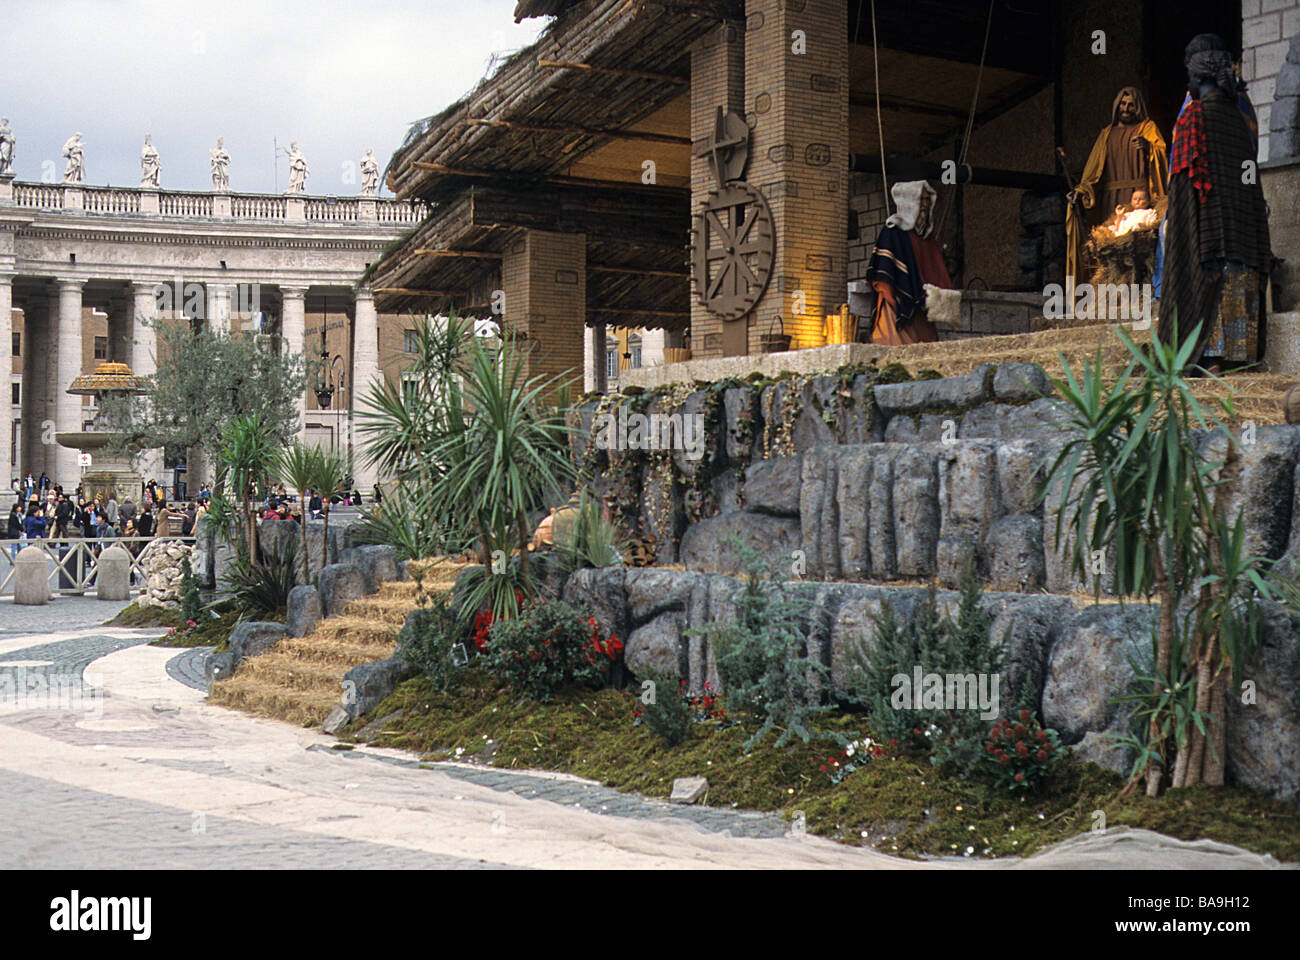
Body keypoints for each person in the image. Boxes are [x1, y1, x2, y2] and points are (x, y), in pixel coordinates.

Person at [1158, 33, 1271, 373]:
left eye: (1189, 74)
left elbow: (1182, 189)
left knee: (1213, 357)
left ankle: (1211, 364)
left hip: (1212, 248)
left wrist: (1181, 238)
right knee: (1239, 358)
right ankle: (1235, 365)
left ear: (1200, 74)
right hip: (1247, 246)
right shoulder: (1240, 121)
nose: (1188, 81)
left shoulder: (1192, 119)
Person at [1066, 86, 1169, 288]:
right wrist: (1081, 191)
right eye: (1123, 104)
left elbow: (1162, 156)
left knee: (1137, 248)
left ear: (1137, 107)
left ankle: (1140, 289)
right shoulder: (1106, 134)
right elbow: (1094, 170)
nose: (1127, 108)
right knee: (1110, 248)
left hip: (1139, 199)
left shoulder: (1147, 128)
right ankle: (1108, 292)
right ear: (1117, 106)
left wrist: (1149, 148)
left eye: (1131, 104)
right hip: (1111, 200)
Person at [864, 180, 956, 345]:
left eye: (928, 200)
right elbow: (881, 275)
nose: (925, 205)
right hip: (896, 310)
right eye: (921, 199)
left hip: (920, 312)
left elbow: (935, 270)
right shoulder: (892, 232)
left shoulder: (926, 237)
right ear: (909, 201)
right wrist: (896, 303)